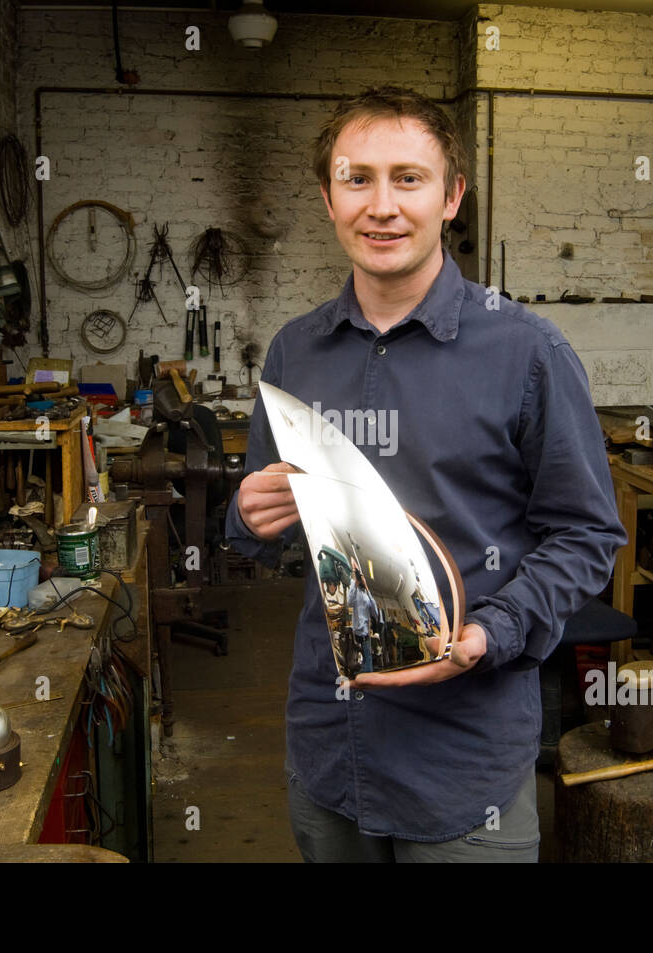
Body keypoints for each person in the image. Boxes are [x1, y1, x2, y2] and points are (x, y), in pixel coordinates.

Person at [225, 86, 626, 862]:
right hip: (327, 748)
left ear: (452, 196)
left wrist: (492, 631)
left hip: (461, 756)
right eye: (358, 178)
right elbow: (262, 535)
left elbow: (586, 535)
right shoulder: (293, 353)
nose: (382, 206)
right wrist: (246, 514)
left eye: (408, 178)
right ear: (327, 195)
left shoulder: (528, 352)